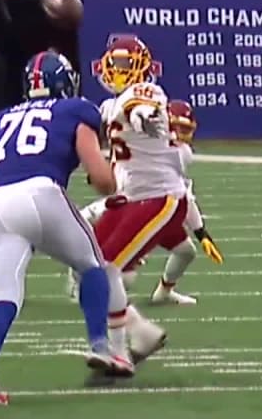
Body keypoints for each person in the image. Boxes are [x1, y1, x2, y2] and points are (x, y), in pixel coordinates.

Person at [0, 50, 128, 407]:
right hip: (40, 192)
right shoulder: (75, 110)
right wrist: (107, 181)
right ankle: (101, 346)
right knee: (92, 265)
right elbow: (103, 180)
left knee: (5, 298)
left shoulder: (4, 117)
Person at [90, 36, 187, 364]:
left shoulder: (144, 92)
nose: (118, 70)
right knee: (89, 268)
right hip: (131, 197)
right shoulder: (110, 104)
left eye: (124, 64)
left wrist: (143, 118)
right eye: (114, 63)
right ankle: (140, 332)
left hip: (158, 196)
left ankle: (118, 353)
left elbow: (141, 108)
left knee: (105, 269)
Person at [72, 100, 224, 306]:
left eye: (185, 129)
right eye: (176, 128)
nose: (180, 135)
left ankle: (164, 291)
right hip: (129, 203)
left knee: (186, 251)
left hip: (159, 206)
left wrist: (201, 233)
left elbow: (183, 192)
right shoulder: (163, 149)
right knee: (98, 244)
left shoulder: (165, 147)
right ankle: (80, 281)